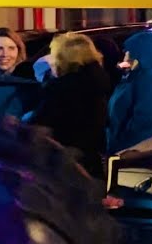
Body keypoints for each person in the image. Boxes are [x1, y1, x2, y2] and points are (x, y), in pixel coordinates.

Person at [28, 32, 110, 179]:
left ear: (63, 57)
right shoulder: (99, 82)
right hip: (89, 161)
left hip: (63, 163)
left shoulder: (62, 88)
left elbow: (41, 125)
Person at [108, 30, 152, 153]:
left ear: (140, 53)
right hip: (122, 145)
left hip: (134, 148)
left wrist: (124, 143)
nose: (125, 55)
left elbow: (144, 119)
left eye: (129, 51)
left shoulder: (149, 79)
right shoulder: (133, 76)